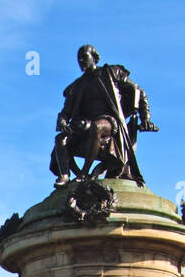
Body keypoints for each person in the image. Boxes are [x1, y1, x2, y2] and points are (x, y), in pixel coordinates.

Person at [50, 44, 157, 187]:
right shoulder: (76, 86)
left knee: (97, 127)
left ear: (95, 58)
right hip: (85, 124)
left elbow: (139, 92)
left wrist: (146, 118)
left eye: (85, 57)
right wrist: (62, 122)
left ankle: (84, 174)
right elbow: (65, 112)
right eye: (79, 58)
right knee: (61, 139)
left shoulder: (111, 72)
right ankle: (64, 176)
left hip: (110, 121)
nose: (81, 61)